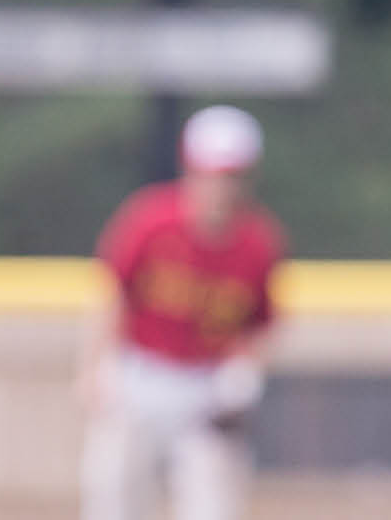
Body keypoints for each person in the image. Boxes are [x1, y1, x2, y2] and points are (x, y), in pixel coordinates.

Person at [77, 105, 287, 520]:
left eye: (231, 176)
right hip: (140, 374)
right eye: (211, 174)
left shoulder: (258, 242)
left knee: (213, 506)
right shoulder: (151, 220)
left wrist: (243, 371)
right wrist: (95, 366)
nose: (220, 188)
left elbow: (263, 324)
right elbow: (112, 295)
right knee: (113, 499)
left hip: (205, 388)